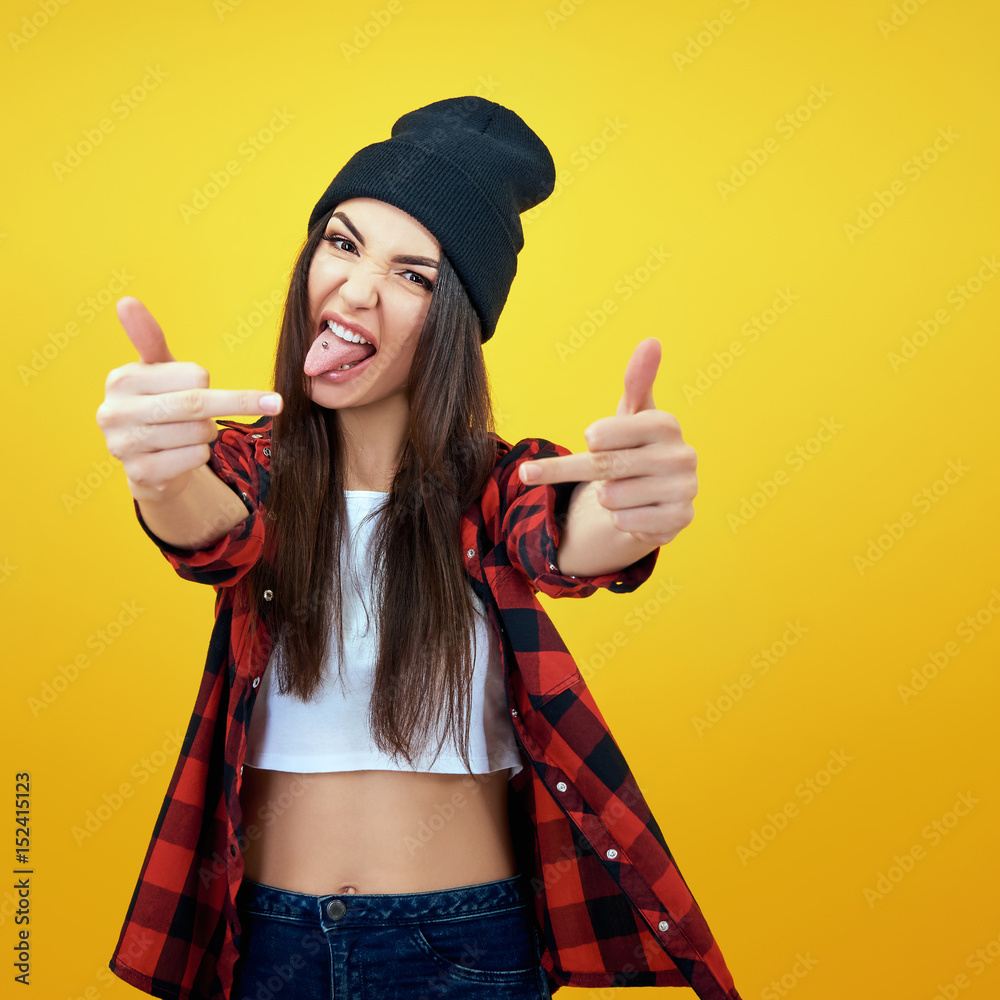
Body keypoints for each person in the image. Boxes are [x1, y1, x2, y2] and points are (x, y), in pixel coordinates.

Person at [98, 96, 743, 1000]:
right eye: (343, 242)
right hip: (270, 945)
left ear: (457, 327)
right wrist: (159, 473)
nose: (357, 290)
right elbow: (211, 528)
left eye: (416, 276)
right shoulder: (251, 467)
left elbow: (564, 534)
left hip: (466, 945)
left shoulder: (495, 485)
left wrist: (630, 514)